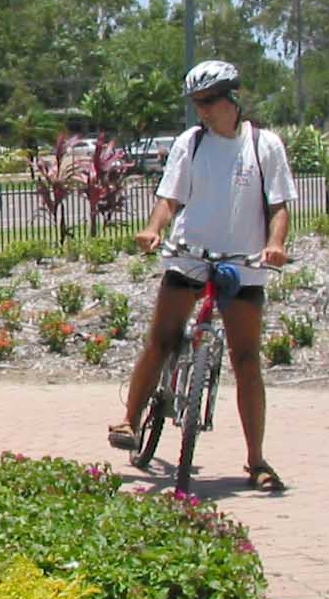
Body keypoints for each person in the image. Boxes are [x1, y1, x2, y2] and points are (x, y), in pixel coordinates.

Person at [113, 59, 296, 492]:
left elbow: (279, 206)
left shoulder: (264, 145)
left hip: (243, 262)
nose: (204, 111)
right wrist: (153, 229)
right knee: (162, 339)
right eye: (198, 103)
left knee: (247, 360)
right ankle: (128, 420)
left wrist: (276, 245)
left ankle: (256, 461)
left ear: (233, 98)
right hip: (189, 256)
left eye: (210, 101)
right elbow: (169, 198)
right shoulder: (190, 144)